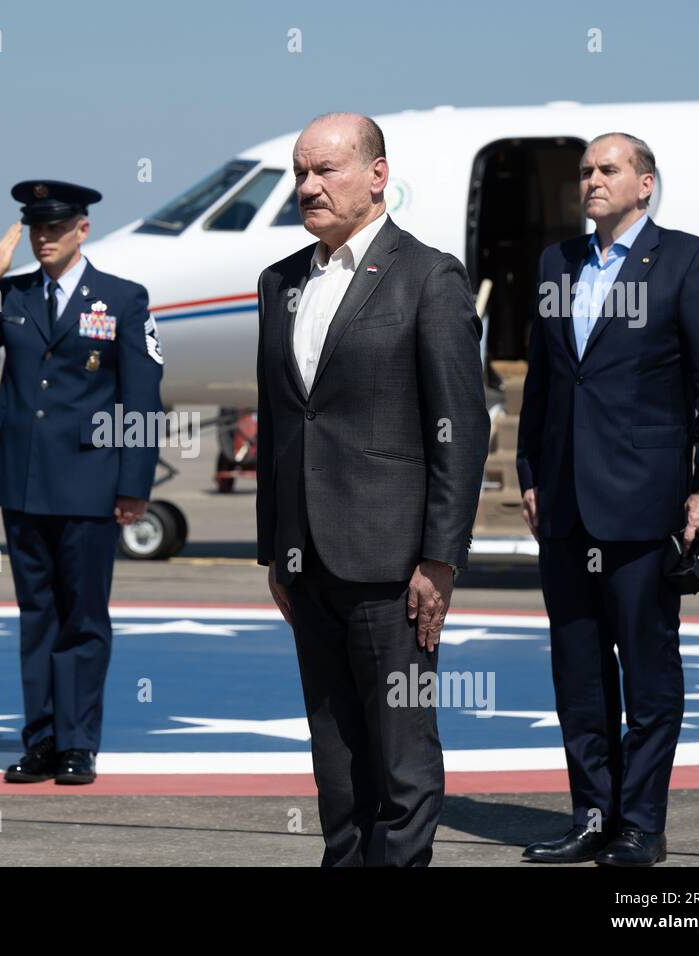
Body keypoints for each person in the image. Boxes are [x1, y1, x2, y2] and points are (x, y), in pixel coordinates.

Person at [255, 114, 489, 866]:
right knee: (335, 755)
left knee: (401, 754)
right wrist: (275, 549)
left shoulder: (429, 276)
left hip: (393, 566)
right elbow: (282, 420)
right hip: (308, 561)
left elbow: (461, 426)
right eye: (300, 173)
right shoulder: (280, 281)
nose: (308, 187)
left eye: (326, 170)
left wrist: (440, 558)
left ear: (378, 175)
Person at [517, 133, 699, 866]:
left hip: (644, 505)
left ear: (645, 184)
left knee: (648, 673)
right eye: (585, 171)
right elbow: (546, 383)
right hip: (563, 504)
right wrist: (527, 472)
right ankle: (592, 813)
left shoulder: (687, 261)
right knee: (577, 672)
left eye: (607, 170)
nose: (591, 181)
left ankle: (641, 824)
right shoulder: (558, 262)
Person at [0, 181, 164, 785]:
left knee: (83, 617)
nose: (44, 239)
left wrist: (134, 484)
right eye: (36, 229)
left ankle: (77, 744)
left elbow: (142, 397)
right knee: (36, 614)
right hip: (22, 482)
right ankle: (39, 740)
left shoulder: (122, 299)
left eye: (56, 228)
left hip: (90, 483)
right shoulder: (11, 295)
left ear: (82, 230)